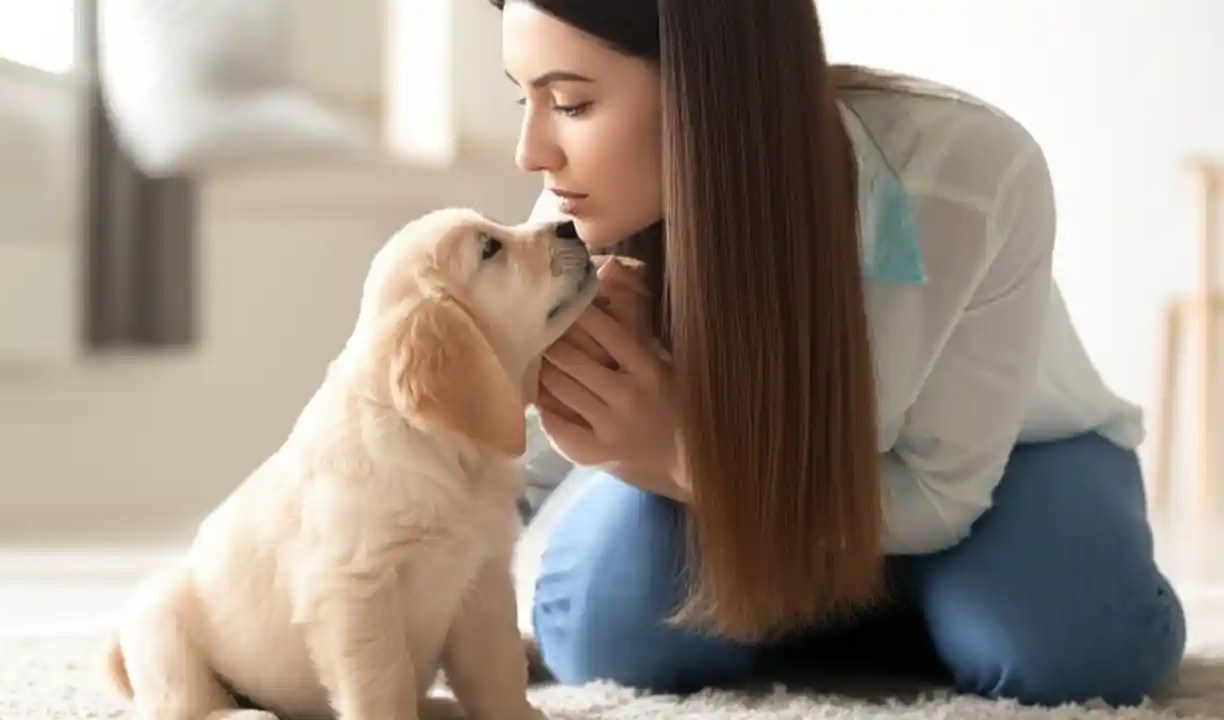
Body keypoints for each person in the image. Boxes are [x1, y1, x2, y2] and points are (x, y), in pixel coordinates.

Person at [493, 0, 1187, 708]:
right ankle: (876, 615)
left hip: (1012, 464)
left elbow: (941, 498)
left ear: (710, 83)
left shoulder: (963, 171)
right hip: (744, 498)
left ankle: (879, 612)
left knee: (1066, 650)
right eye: (524, 97)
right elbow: (501, 458)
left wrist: (688, 456)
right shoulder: (586, 216)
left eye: (571, 103)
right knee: (604, 636)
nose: (529, 151)